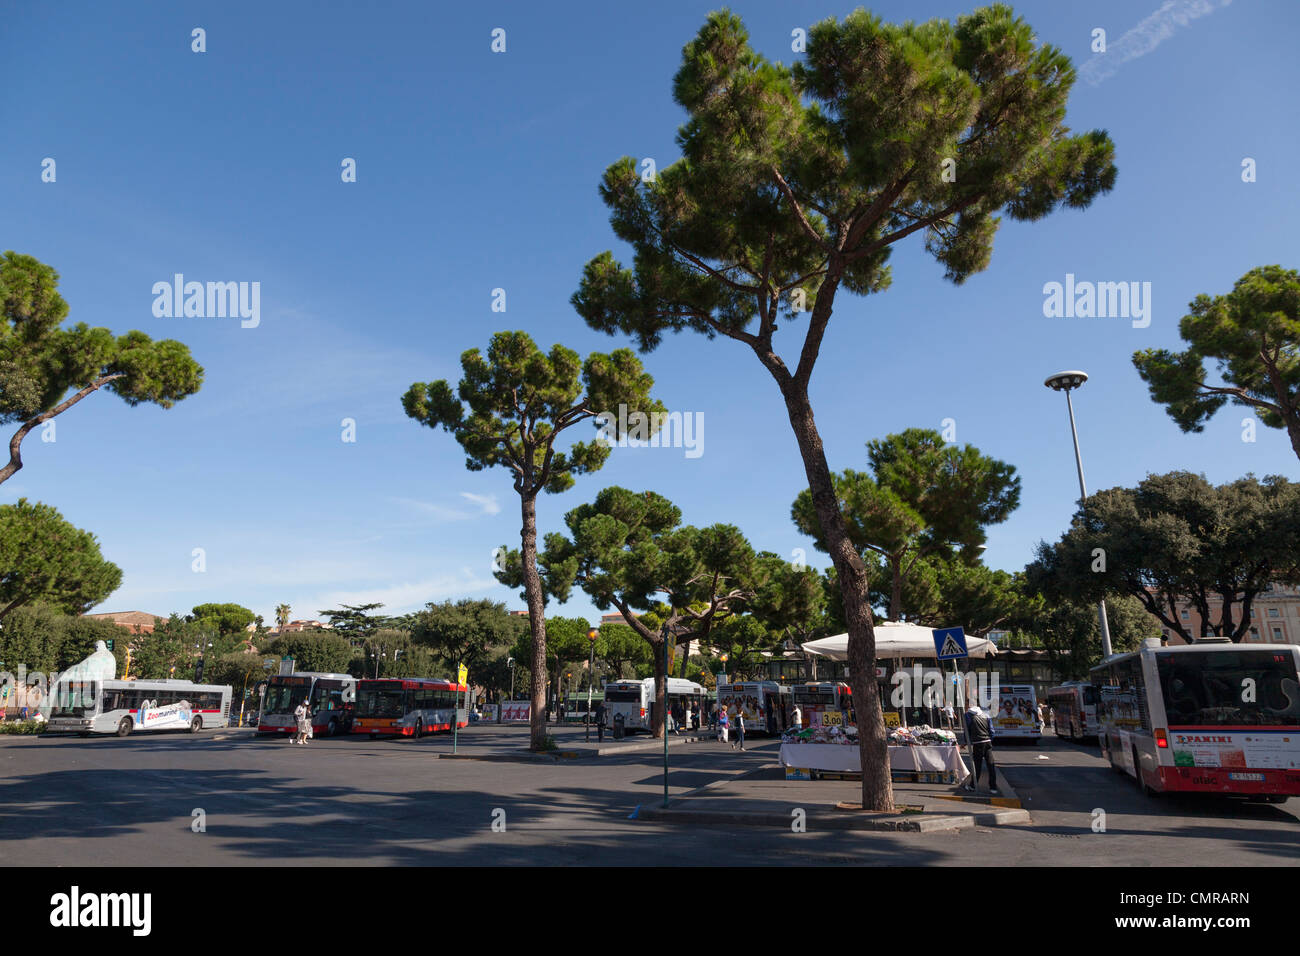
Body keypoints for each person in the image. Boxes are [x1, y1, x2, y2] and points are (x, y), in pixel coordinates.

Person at [963, 702, 997, 794]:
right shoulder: (985, 715)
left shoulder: (968, 715)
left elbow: (966, 730)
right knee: (991, 765)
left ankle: (973, 786)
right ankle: (993, 787)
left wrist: (967, 742)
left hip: (977, 743)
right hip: (987, 742)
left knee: (977, 766)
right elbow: (992, 730)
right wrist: (990, 739)